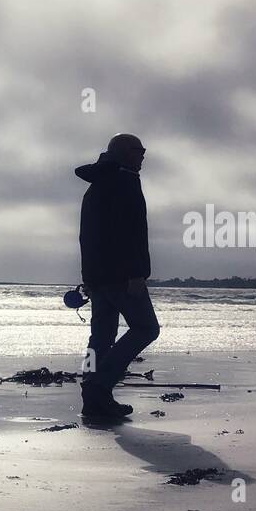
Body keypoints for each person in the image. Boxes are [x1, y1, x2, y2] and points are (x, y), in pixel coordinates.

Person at [74, 133, 160, 419]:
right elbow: (131, 233)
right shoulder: (124, 181)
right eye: (139, 149)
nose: (143, 154)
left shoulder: (98, 183)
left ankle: (91, 394)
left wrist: (88, 276)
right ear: (123, 153)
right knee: (146, 328)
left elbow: (87, 236)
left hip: (98, 277)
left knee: (99, 337)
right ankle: (99, 385)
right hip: (122, 276)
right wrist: (137, 273)